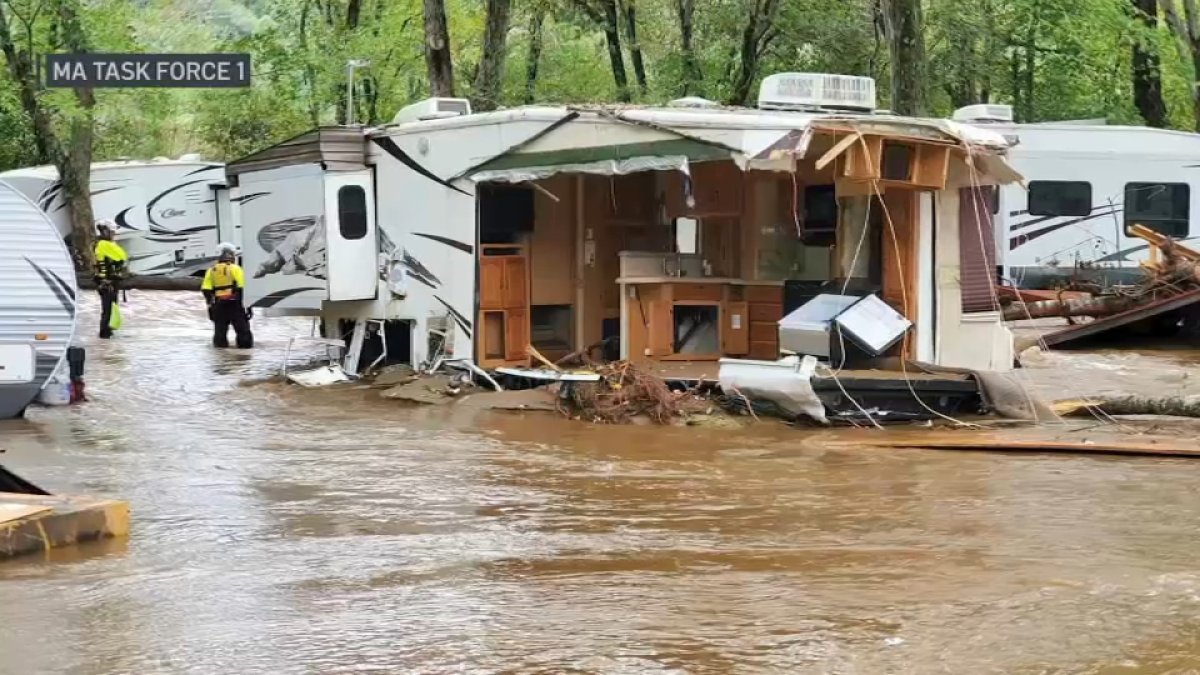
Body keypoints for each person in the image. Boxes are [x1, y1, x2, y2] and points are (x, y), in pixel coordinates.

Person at [201, 243, 254, 349]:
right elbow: (243, 287)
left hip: (219, 306)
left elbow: (206, 290)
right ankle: (244, 357)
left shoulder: (211, 271)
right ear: (230, 255)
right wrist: (248, 306)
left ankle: (221, 358)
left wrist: (210, 306)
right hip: (235, 305)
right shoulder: (235, 268)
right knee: (244, 335)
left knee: (220, 334)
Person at [93, 219, 128, 339]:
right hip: (106, 283)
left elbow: (120, 257)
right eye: (112, 232)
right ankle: (104, 335)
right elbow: (121, 256)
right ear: (104, 231)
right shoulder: (103, 244)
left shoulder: (108, 244)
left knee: (112, 309)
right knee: (107, 311)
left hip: (111, 283)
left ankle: (108, 336)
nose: (114, 235)